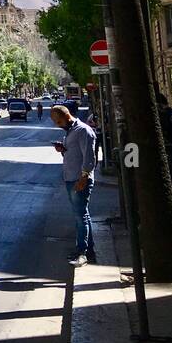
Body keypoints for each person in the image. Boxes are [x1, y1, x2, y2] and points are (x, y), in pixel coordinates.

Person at [51, 104, 97, 266]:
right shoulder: (70, 131)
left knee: (80, 216)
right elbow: (74, 152)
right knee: (82, 214)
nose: (56, 124)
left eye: (57, 121)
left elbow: (89, 157)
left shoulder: (83, 131)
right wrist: (63, 150)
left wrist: (84, 177)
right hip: (70, 178)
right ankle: (88, 250)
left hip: (79, 179)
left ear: (66, 116)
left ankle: (82, 252)